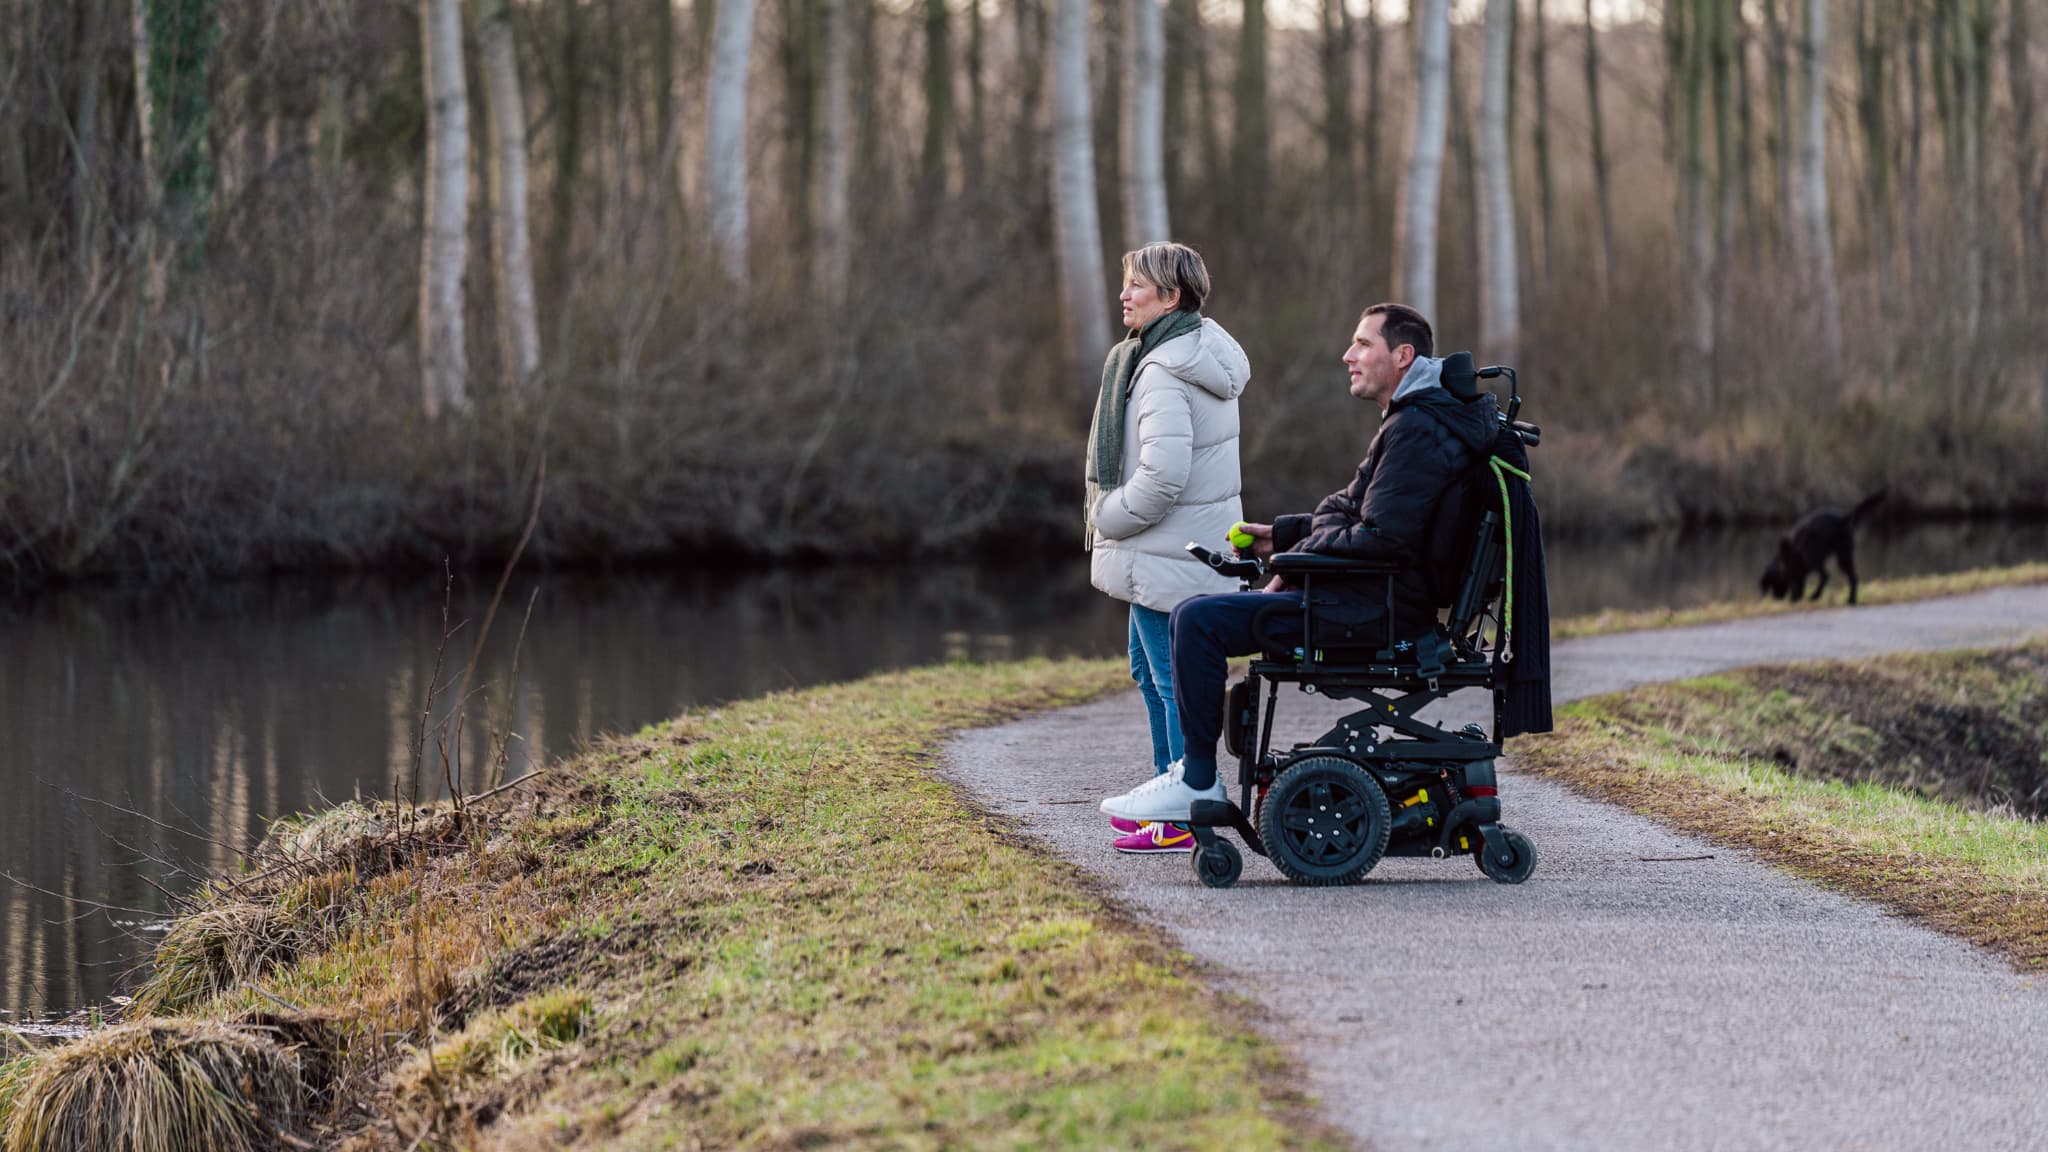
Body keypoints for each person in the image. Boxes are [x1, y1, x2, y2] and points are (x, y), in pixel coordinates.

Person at [1100, 303, 1498, 824]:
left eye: (1363, 344)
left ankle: (1195, 781)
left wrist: (1295, 559)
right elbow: (1356, 512)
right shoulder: (1418, 421)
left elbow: (1380, 539)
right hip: (1370, 599)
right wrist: (1282, 537)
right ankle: (1193, 776)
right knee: (1193, 615)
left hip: (1371, 611)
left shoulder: (1418, 431)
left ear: (1403, 356)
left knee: (1196, 619)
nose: (1348, 355)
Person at [1085, 242, 1250, 853]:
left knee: (1171, 681)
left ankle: (1184, 810)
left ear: (1171, 297)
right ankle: (1169, 791)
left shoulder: (1163, 368)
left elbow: (1162, 477)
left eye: (1136, 284)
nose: (1124, 294)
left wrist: (1106, 515)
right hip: (1172, 550)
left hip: (1168, 554)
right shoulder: (1182, 353)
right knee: (1150, 671)